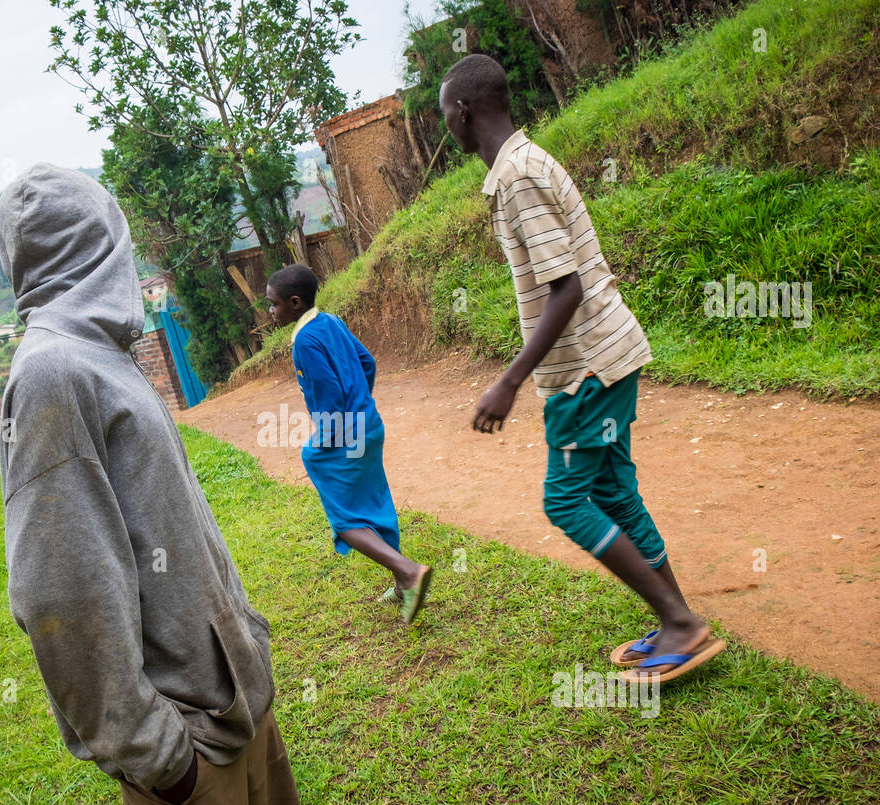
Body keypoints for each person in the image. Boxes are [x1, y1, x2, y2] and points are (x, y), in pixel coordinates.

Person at [0, 162, 311, 805]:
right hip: (189, 753)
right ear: (97, 242)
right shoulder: (52, 373)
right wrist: (162, 757)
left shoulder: (103, 354)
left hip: (237, 706)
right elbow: (59, 594)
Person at [440, 54, 723, 683]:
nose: (446, 130)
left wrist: (509, 381)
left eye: (444, 116)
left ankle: (679, 620)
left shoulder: (517, 176)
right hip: (608, 352)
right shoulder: (525, 163)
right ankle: (680, 621)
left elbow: (565, 289)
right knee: (615, 491)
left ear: (463, 110)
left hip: (586, 367)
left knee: (566, 500)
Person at [267, 264, 432, 625]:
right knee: (374, 502)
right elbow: (367, 362)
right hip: (368, 425)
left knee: (344, 520)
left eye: (274, 304)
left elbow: (329, 398)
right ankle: (403, 586)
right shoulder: (331, 321)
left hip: (346, 436)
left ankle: (408, 572)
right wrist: (361, 405)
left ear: (294, 303)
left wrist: (325, 442)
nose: (270, 311)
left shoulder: (305, 341)